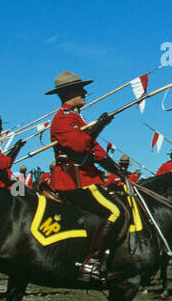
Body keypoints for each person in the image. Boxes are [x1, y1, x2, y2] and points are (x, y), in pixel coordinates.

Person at [45, 70, 124, 282]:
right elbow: (80, 147)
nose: (85, 92)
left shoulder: (76, 118)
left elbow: (96, 151)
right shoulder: (61, 120)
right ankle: (91, 262)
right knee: (114, 212)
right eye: (81, 89)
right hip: (74, 182)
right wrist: (99, 126)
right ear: (69, 93)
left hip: (88, 178)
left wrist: (118, 171)